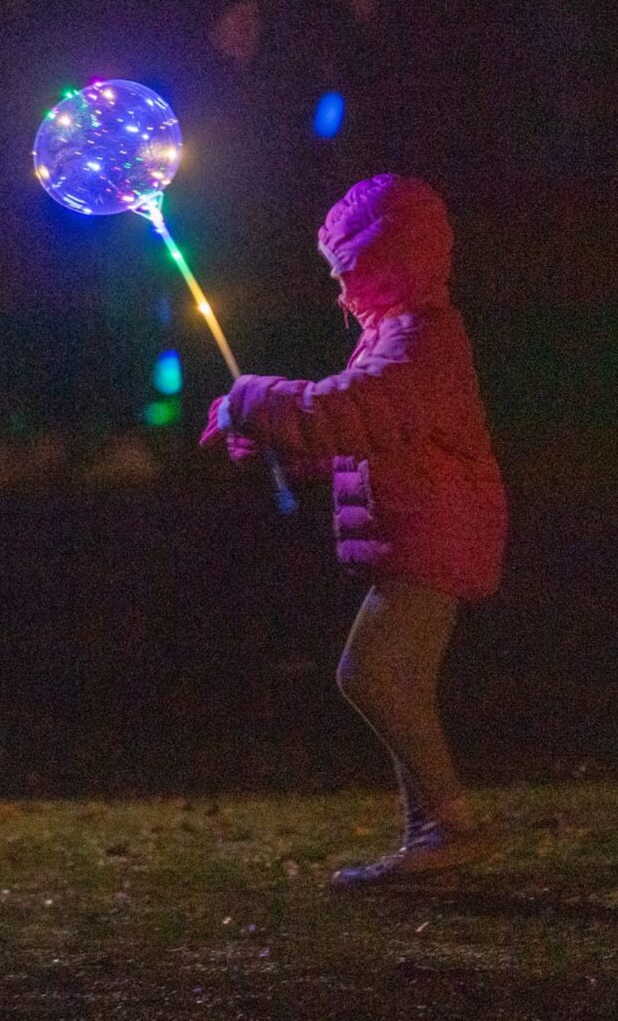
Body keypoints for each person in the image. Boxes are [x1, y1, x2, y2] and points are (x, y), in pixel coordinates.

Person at [199, 175, 508, 888]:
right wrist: (280, 442)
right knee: (398, 684)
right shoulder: (396, 336)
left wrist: (255, 400)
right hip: (418, 531)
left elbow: (352, 408)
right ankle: (428, 838)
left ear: (385, 261)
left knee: (367, 674)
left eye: (350, 268)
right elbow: (362, 434)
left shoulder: (422, 340)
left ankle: (451, 824)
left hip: (434, 535)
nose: (340, 286)